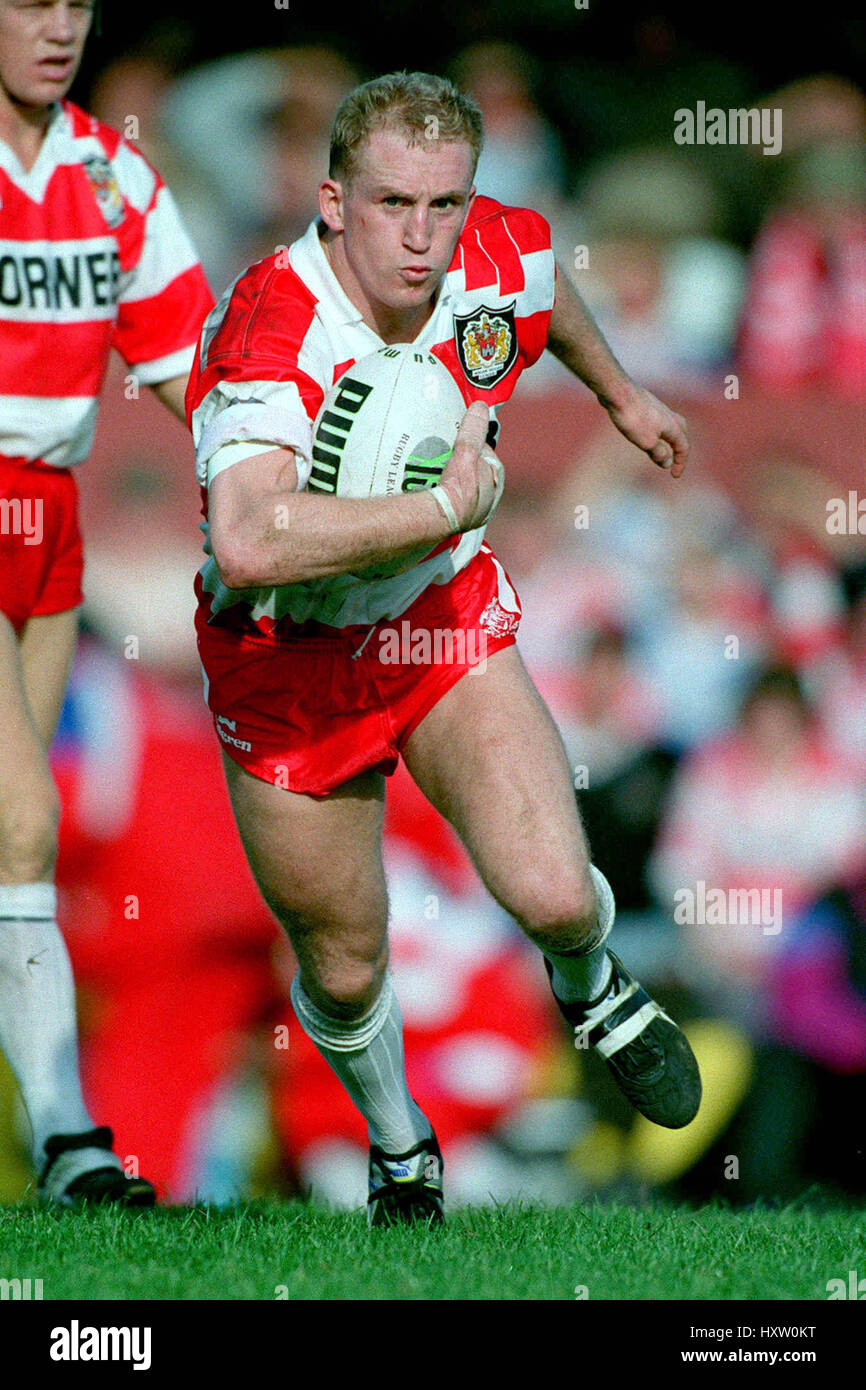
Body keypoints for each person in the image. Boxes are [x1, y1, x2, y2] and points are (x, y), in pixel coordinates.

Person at [186, 71, 701, 1226]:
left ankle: (590, 984)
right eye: (389, 205)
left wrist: (620, 396)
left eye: (443, 205)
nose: (421, 238)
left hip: (433, 615)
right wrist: (444, 508)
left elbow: (538, 282)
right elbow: (251, 535)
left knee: (555, 892)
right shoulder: (271, 322)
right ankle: (397, 1141)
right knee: (346, 965)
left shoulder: (492, 242)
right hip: (285, 658)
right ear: (330, 199)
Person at [0, 0, 214, 1205]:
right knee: (22, 819)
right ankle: (73, 1141)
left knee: (10, 843)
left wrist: (283, 478)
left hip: (49, 513)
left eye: (74, 0)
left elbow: (189, 362)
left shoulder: (110, 170)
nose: (57, 24)